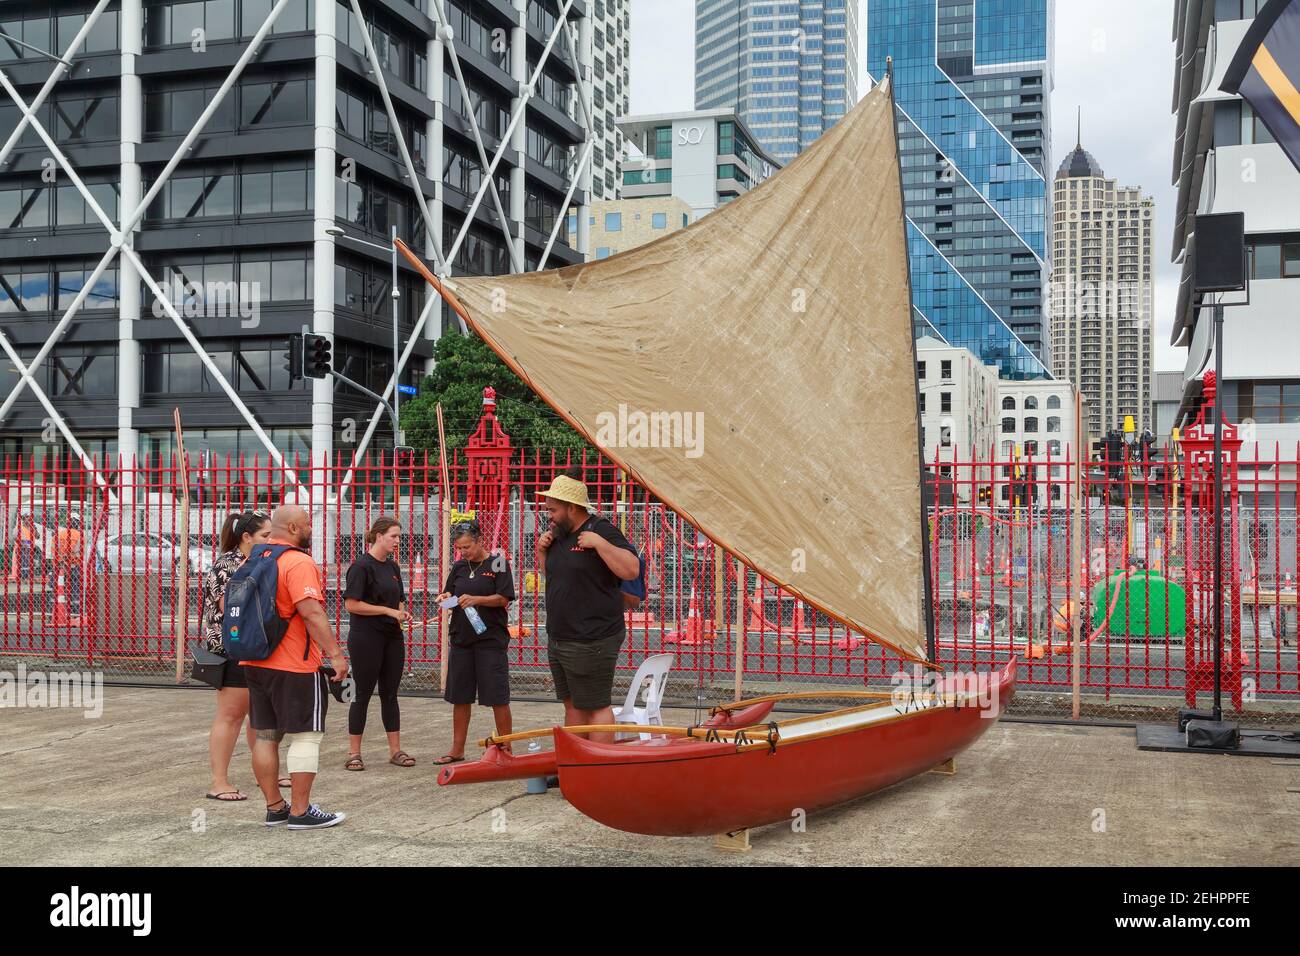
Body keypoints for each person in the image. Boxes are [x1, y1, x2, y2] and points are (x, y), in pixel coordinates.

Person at [242, 504, 350, 830]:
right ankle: (301, 812)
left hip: (255, 660)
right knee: (306, 735)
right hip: (295, 665)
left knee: (266, 735)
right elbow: (311, 612)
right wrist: (335, 654)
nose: (309, 531)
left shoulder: (252, 560)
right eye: (305, 525)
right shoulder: (298, 562)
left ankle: (275, 807)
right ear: (291, 528)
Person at [535, 469, 639, 742]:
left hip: (592, 637)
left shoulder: (600, 529)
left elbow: (631, 569)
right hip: (561, 637)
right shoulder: (558, 534)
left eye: (553, 509)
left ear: (571, 508)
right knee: (571, 703)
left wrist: (600, 544)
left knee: (595, 706)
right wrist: (541, 552)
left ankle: (600, 770)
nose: (549, 515)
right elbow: (556, 577)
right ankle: (576, 764)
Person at [200, 511, 275, 801]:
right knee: (231, 715)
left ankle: (265, 772)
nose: (271, 540)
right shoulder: (228, 566)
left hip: (256, 648)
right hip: (233, 648)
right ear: (247, 537)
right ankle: (219, 781)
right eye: (265, 536)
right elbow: (234, 607)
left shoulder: (258, 562)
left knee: (260, 715)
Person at [433, 520, 515, 765]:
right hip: (462, 639)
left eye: (467, 546)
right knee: (460, 696)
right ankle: (457, 749)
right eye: (460, 548)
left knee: (497, 697)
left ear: (481, 541)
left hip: (490, 640)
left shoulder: (498, 563)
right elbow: (452, 599)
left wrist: (476, 599)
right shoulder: (459, 567)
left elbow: (503, 599)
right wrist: (445, 599)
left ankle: (506, 747)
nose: (464, 552)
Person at [343, 517, 413, 770]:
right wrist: (388, 611)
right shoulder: (361, 567)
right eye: (393, 536)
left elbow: (400, 598)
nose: (397, 541)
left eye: (398, 536)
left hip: (392, 636)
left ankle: (395, 750)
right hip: (366, 637)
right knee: (361, 694)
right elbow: (352, 604)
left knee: (390, 693)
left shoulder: (392, 567)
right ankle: (354, 753)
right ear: (379, 535)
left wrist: (401, 615)